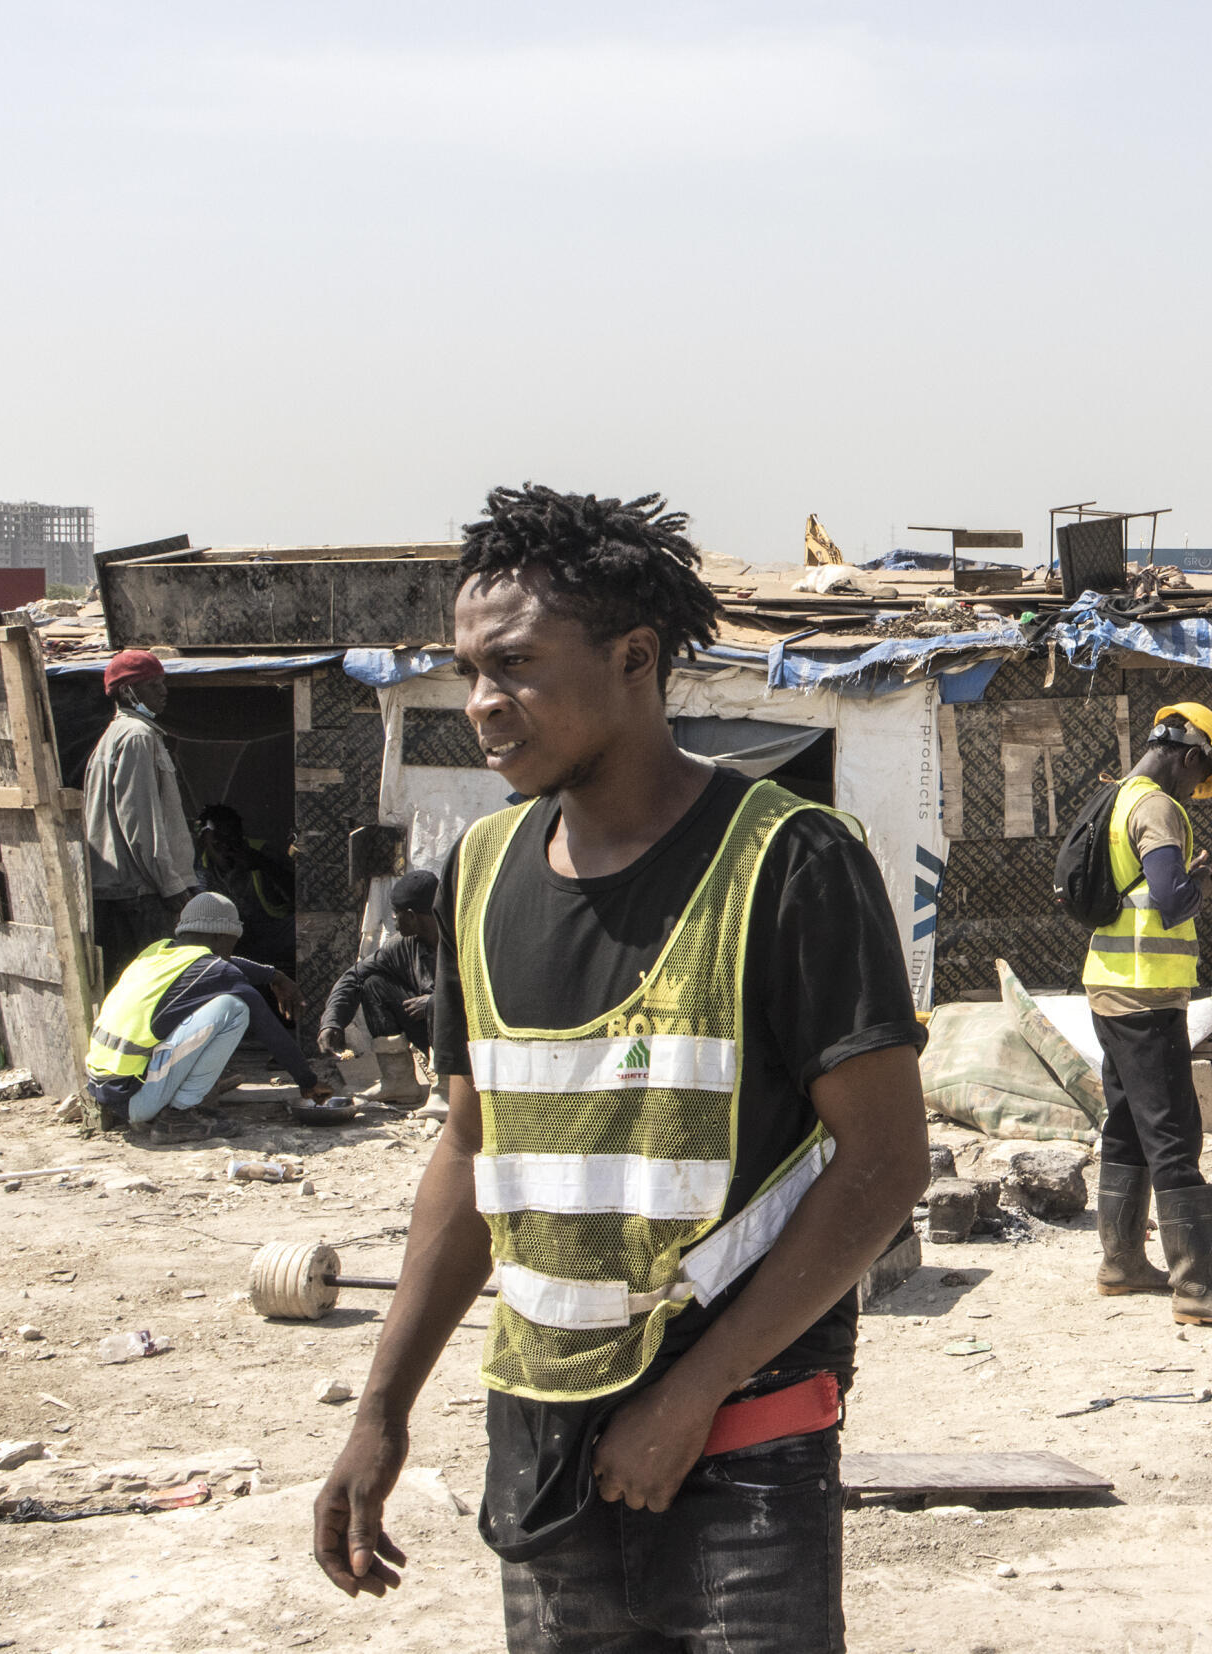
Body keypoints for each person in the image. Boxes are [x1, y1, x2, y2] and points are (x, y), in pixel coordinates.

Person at [311, 485, 930, 1653]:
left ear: (635, 657)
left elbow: (885, 1164)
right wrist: (380, 1411)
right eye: (470, 672)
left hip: (739, 1434)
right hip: (540, 1434)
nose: (484, 706)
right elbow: (471, 1147)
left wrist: (689, 1396)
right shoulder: (481, 872)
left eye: (517, 667)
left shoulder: (788, 863)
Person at [1086, 701, 1212, 1325]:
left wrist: (1193, 879)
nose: (1198, 792)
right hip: (1147, 995)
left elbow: (1142, 888)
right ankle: (1197, 1288)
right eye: (1203, 778)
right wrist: (1203, 889)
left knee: (1125, 1124)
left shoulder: (1118, 797)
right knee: (1174, 1134)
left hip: (1108, 986)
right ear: (1193, 755)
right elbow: (1169, 901)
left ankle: (1121, 1264)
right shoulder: (1158, 806)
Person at [81, 891, 328, 1141]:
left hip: (104, 1088)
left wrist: (273, 975)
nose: (232, 950)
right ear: (220, 936)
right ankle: (179, 1116)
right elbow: (267, 1026)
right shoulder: (215, 971)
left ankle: (170, 1107)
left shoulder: (157, 951)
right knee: (235, 1008)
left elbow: (228, 965)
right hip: (135, 1099)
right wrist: (307, 1081)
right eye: (233, 942)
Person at [82, 649, 199, 981]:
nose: (164, 691)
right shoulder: (137, 737)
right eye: (153, 685)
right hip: (140, 891)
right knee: (154, 986)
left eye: (163, 683)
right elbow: (139, 820)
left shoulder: (114, 737)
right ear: (128, 691)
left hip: (121, 888)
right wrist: (171, 885)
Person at [317, 869, 439, 1110]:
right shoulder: (404, 946)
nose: (394, 921)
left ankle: (449, 1088)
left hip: (469, 1042)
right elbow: (352, 977)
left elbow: (488, 995)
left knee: (443, 1007)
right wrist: (332, 1022)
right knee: (373, 983)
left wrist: (435, 1003)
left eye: (397, 915)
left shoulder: (467, 939)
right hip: (431, 1033)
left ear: (413, 916)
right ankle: (398, 1081)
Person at [195, 802, 297, 969]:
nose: (226, 847)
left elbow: (299, 897)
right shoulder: (201, 867)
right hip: (237, 939)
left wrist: (263, 864)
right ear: (203, 841)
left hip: (275, 934)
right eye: (218, 841)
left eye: (232, 838)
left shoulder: (261, 852)